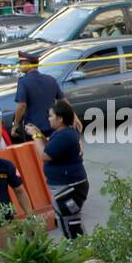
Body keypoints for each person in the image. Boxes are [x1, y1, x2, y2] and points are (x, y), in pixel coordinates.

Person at [28, 99, 87, 238]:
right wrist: (39, 133)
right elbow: (51, 147)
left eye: (50, 116)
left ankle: (79, 253)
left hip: (69, 187)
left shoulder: (65, 135)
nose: (48, 119)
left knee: (69, 222)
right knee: (70, 220)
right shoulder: (63, 133)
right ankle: (82, 250)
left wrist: (35, 136)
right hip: (68, 186)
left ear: (60, 118)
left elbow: (45, 155)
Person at [11, 49, 64, 143]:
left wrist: (15, 125)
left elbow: (21, 106)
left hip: (34, 131)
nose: (20, 66)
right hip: (52, 128)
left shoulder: (23, 82)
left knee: (37, 153)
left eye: (21, 63)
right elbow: (63, 101)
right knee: (52, 151)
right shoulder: (51, 79)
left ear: (29, 64)